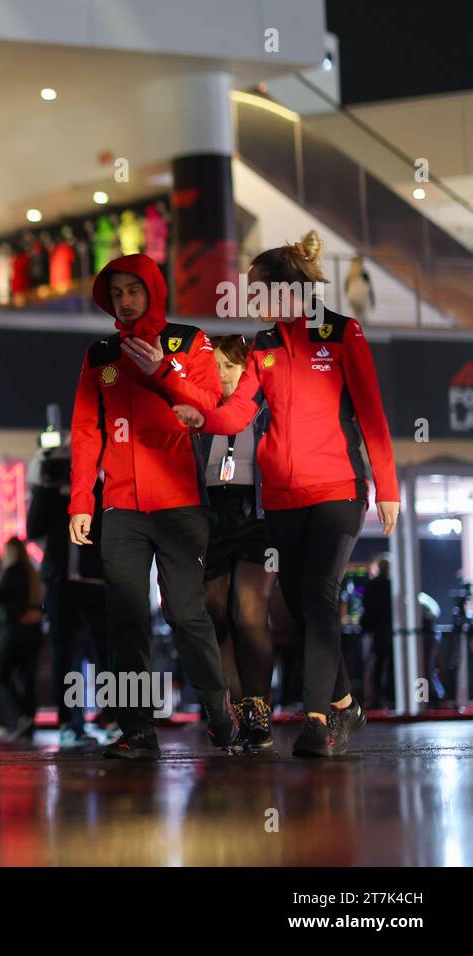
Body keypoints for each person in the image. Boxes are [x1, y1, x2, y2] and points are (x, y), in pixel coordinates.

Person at [174, 230, 399, 758]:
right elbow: (239, 411)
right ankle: (346, 702)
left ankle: (317, 719)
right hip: (282, 496)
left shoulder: (342, 333)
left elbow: (372, 414)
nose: (250, 300)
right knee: (300, 603)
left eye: (257, 290)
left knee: (320, 593)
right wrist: (202, 414)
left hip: (338, 490)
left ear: (286, 287)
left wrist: (387, 488)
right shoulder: (263, 346)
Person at [69, 253, 238, 759]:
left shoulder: (189, 341)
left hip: (181, 504)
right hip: (120, 508)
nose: (124, 300)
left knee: (186, 614)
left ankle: (218, 711)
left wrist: (161, 370)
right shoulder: (100, 353)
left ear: (153, 290)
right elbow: (84, 431)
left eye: (133, 290)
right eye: (116, 292)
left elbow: (211, 406)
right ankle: (137, 730)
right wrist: (82, 502)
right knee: (125, 620)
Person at [200, 335, 278, 752]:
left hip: (257, 516)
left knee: (249, 610)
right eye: (214, 368)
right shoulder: (201, 414)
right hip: (212, 516)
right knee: (213, 615)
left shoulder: (265, 410)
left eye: (230, 367)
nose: (222, 376)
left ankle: (258, 707)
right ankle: (229, 707)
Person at [26, 442, 108, 750]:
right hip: (61, 582)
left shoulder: (98, 489)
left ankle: (112, 718)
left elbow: (108, 525)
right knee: (64, 653)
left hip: (95, 580)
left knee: (105, 651)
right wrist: (44, 487)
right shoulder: (49, 494)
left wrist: (83, 488)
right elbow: (32, 528)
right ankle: (69, 723)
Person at [0, 537, 45, 740]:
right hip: (33, 632)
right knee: (28, 677)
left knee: (1, 674)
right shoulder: (32, 573)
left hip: (15, 630)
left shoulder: (11, 572)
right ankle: (29, 717)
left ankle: (22, 715)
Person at [359, 555, 394, 711]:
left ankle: (375, 697)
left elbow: (366, 605)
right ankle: (387, 697)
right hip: (388, 629)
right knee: (387, 664)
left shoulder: (371, 585)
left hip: (374, 630)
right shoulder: (391, 585)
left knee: (375, 664)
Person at [345, 256, 374, 325]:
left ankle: (357, 327)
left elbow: (346, 288)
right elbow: (369, 288)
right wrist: (372, 299)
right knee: (360, 315)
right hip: (359, 298)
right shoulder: (360, 275)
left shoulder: (351, 275)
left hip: (355, 297)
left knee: (358, 314)